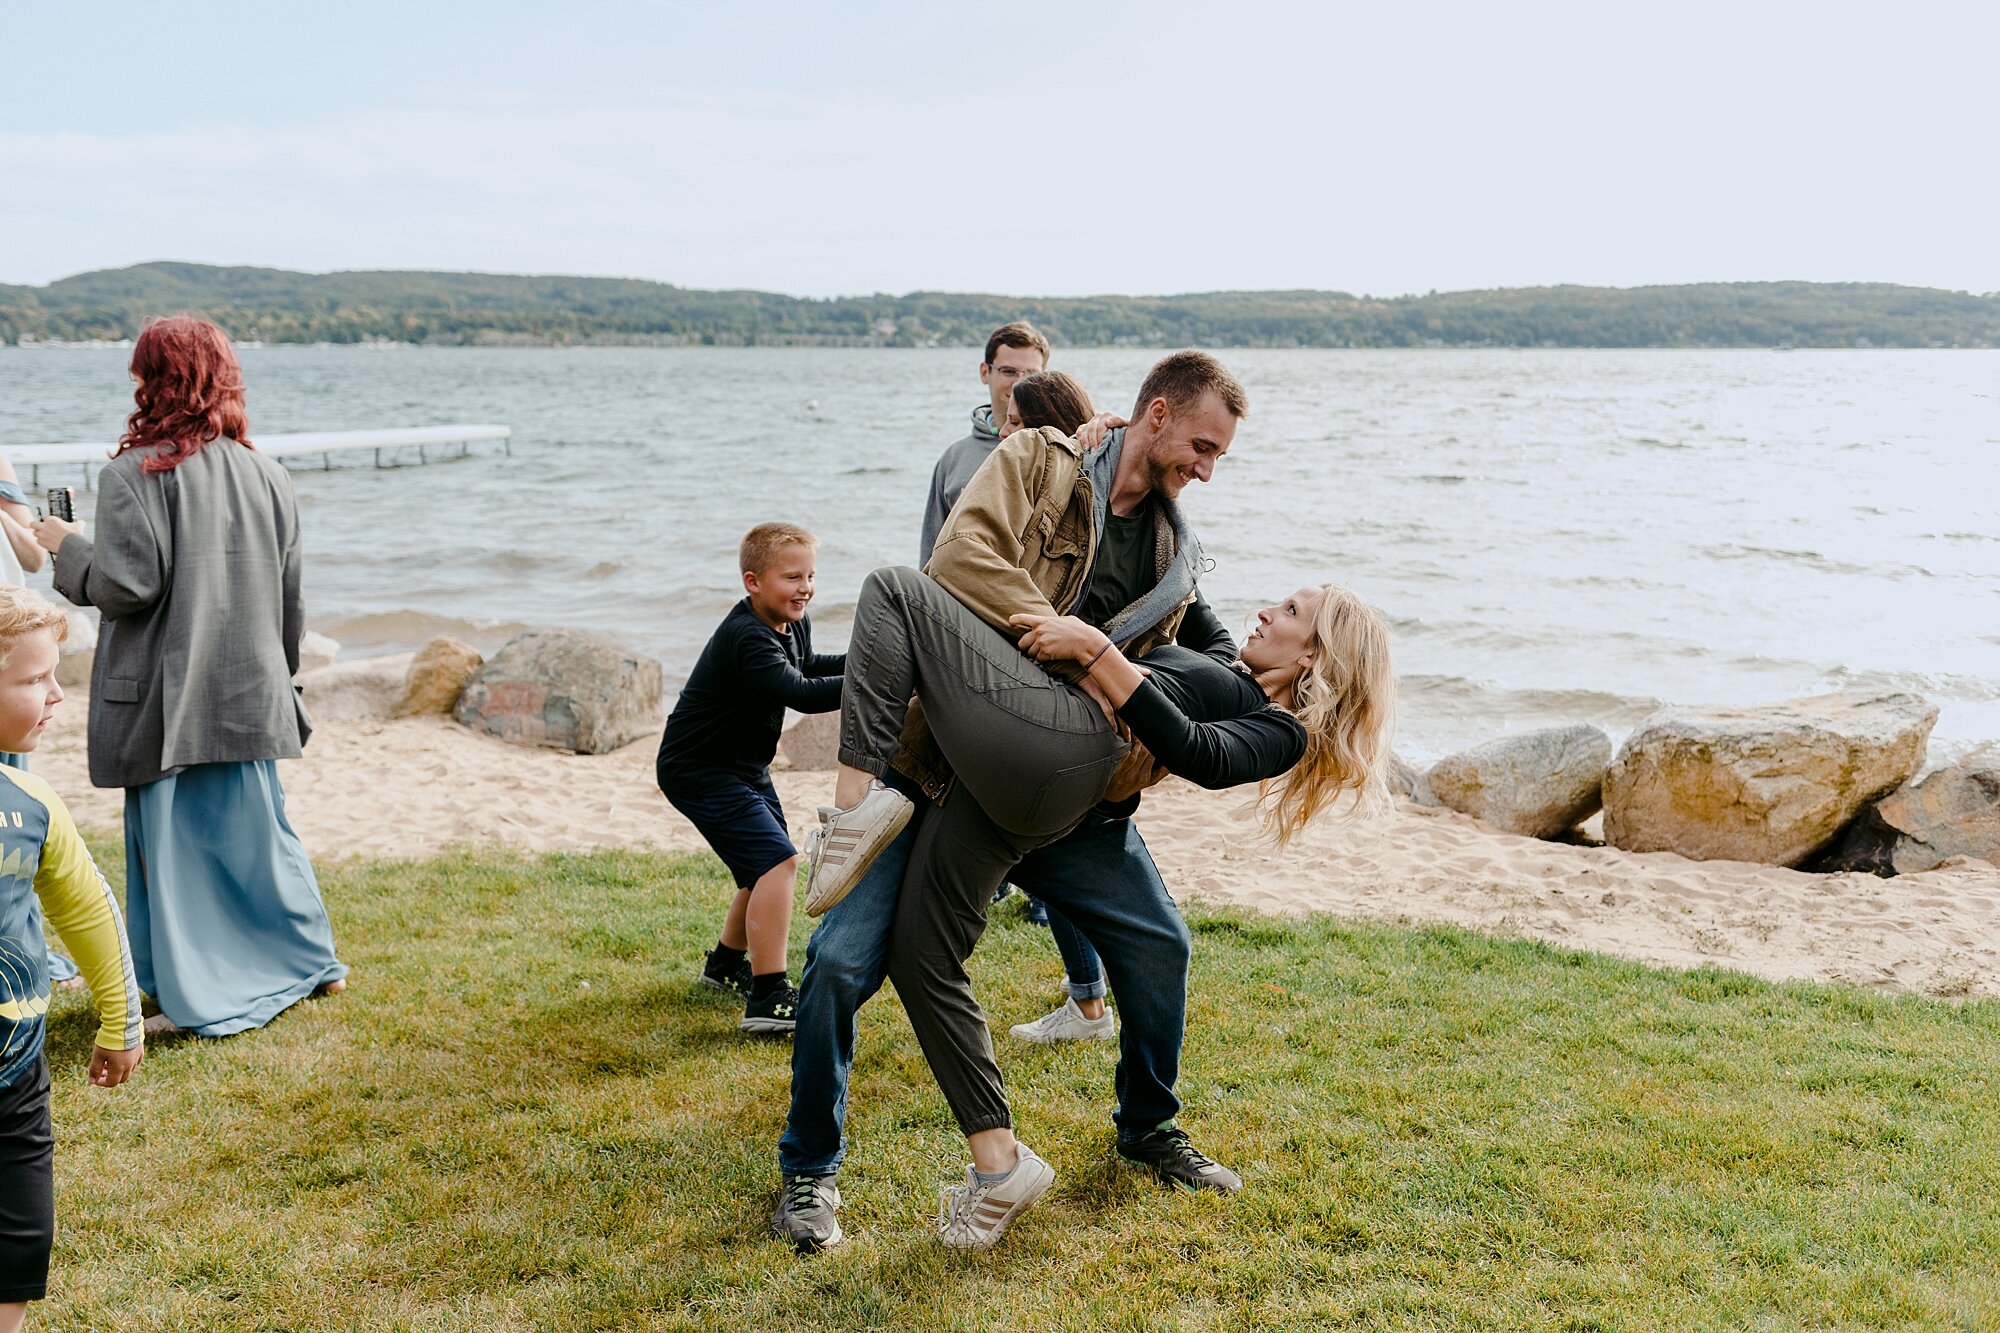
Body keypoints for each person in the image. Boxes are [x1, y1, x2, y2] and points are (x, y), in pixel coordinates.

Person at [774, 351, 1251, 1252]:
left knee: (1160, 947)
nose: (1207, 469)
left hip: (1065, 793)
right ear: (1153, 413)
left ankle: (1149, 1126)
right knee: (840, 964)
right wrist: (1057, 647)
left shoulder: (1172, 558)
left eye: (1219, 455)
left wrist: (1277, 689)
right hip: (940, 770)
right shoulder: (1041, 463)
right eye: (1200, 445)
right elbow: (957, 559)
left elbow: (1217, 664)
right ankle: (811, 1173)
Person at [822, 564, 1392, 1245]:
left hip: (1080, 819)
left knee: (1161, 944)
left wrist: (1098, 651)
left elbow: (1197, 751)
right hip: (1023, 782)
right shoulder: (1219, 656)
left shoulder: (1277, 728)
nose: (1266, 611)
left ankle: (1147, 1126)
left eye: (1291, 610)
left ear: (1314, 654)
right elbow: (1183, 574)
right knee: (916, 955)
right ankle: (974, 1159)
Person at [35, 315, 347, 1039]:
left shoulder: (131, 475)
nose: (135, 383)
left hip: (167, 701)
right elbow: (290, 594)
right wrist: (285, 677)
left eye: (141, 371)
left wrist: (65, 548)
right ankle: (314, 962)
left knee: (175, 854)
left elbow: (128, 585)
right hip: (251, 688)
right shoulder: (269, 472)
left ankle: (199, 997)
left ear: (157, 380)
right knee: (262, 839)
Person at [0, 587, 144, 1333]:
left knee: (21, 1232)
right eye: (34, 680)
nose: (56, 694)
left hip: (15, 1068)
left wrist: (124, 1019)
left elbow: (88, 910)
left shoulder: (31, 802)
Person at [657, 523, 845, 1034]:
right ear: (752, 582)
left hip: (742, 766)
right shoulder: (747, 636)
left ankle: (723, 967)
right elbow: (802, 692)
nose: (805, 587)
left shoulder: (790, 623)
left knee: (762, 865)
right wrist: (875, 681)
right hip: (700, 769)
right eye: (791, 577)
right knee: (777, 863)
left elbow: (807, 665)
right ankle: (768, 996)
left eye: (810, 576)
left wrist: (871, 661)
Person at [0, 450, 80, 992]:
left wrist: (4, 512)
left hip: (11, 630)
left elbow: (32, 557)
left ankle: (22, 948)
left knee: (14, 810)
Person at [917, 321, 1049, 566]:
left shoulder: (1065, 451)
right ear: (985, 373)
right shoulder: (954, 458)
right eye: (1009, 372)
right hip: (964, 597)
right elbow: (931, 555)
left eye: (1032, 374)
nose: (1019, 384)